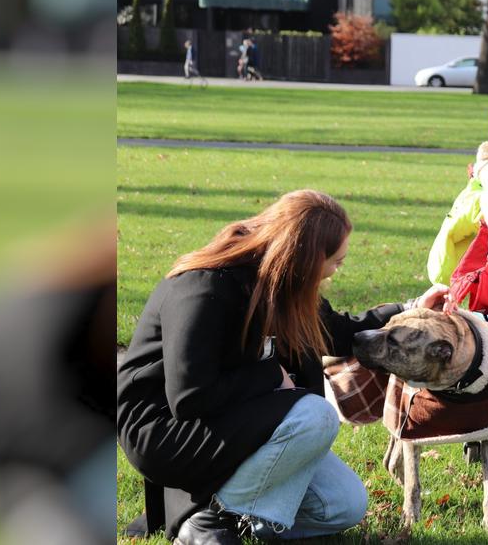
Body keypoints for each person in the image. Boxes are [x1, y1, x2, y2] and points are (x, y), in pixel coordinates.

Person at [117, 189, 448, 544]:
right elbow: (189, 396)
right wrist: (270, 375)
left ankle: (232, 518)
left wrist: (412, 307)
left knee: (344, 505)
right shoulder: (202, 288)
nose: (338, 268)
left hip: (232, 420)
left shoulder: (285, 285)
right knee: (315, 414)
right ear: (303, 258)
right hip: (167, 430)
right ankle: (210, 520)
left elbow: (337, 331)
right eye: (336, 260)